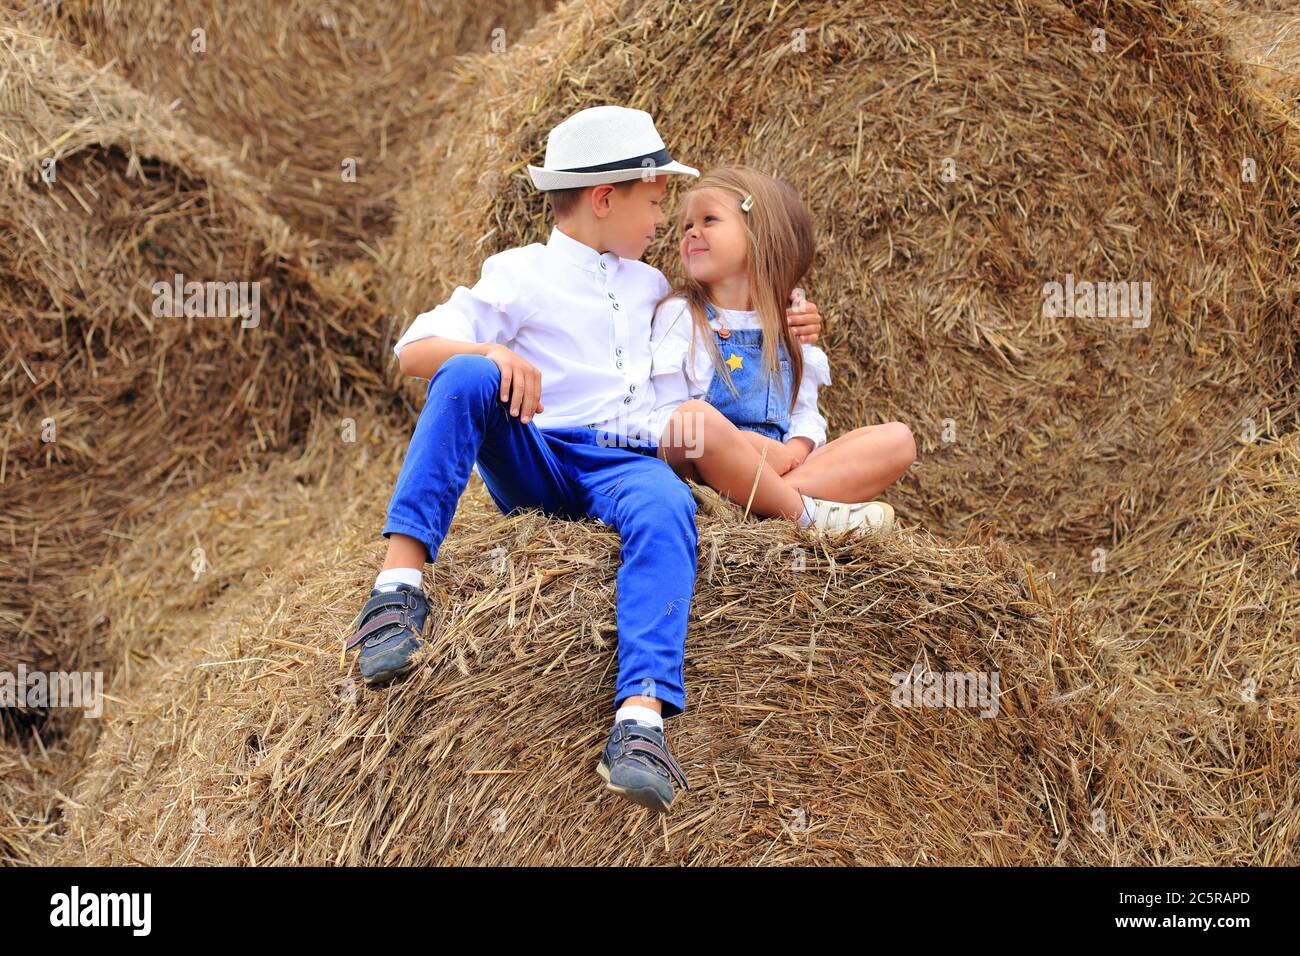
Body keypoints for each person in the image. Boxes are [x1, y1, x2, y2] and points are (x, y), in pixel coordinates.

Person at [343, 107, 822, 813]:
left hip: (625, 460)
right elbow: (413, 351)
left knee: (667, 506)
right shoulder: (520, 274)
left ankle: (639, 721)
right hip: (537, 451)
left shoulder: (651, 287)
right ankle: (398, 590)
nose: (665, 222)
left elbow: (734, 307)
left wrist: (797, 313)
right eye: (657, 204)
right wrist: (491, 351)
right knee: (467, 378)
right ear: (606, 198)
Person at [649, 166, 915, 533]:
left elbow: (805, 413)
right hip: (706, 470)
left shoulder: (788, 319)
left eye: (709, 219)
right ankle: (804, 514)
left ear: (759, 232)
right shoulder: (681, 314)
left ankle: (759, 507)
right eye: (686, 226)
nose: (692, 232)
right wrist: (746, 444)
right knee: (693, 419)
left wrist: (797, 450)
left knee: (898, 439)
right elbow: (664, 418)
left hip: (782, 465)